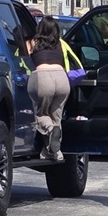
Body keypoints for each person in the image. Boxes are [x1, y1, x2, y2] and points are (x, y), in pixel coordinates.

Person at [25, 16, 70, 162]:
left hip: (43, 78)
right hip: (62, 79)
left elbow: (25, 61)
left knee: (41, 113)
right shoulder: (60, 43)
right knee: (56, 116)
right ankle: (54, 152)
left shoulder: (32, 42)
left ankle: (50, 130)